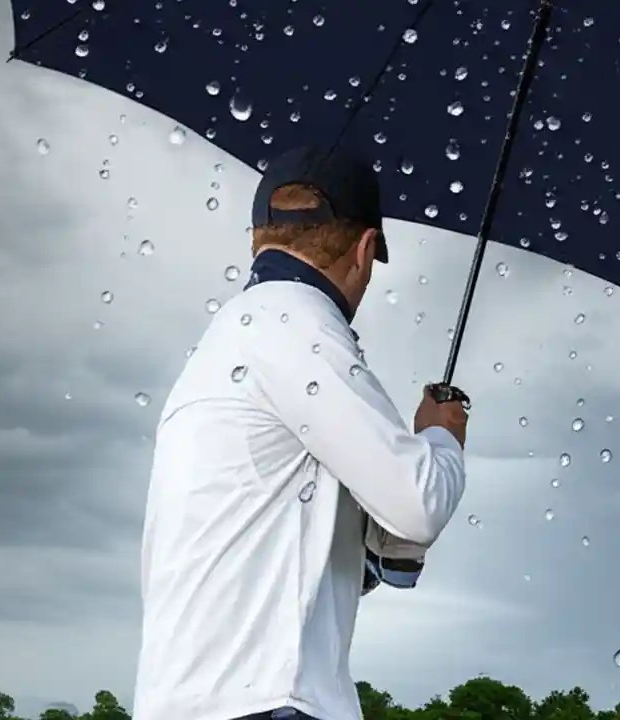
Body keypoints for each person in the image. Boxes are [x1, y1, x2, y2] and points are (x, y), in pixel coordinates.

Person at [133, 145, 469, 720]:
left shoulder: (235, 340)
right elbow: (416, 505)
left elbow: (377, 550)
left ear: (257, 237)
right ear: (365, 250)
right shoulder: (301, 326)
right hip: (266, 703)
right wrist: (441, 438)